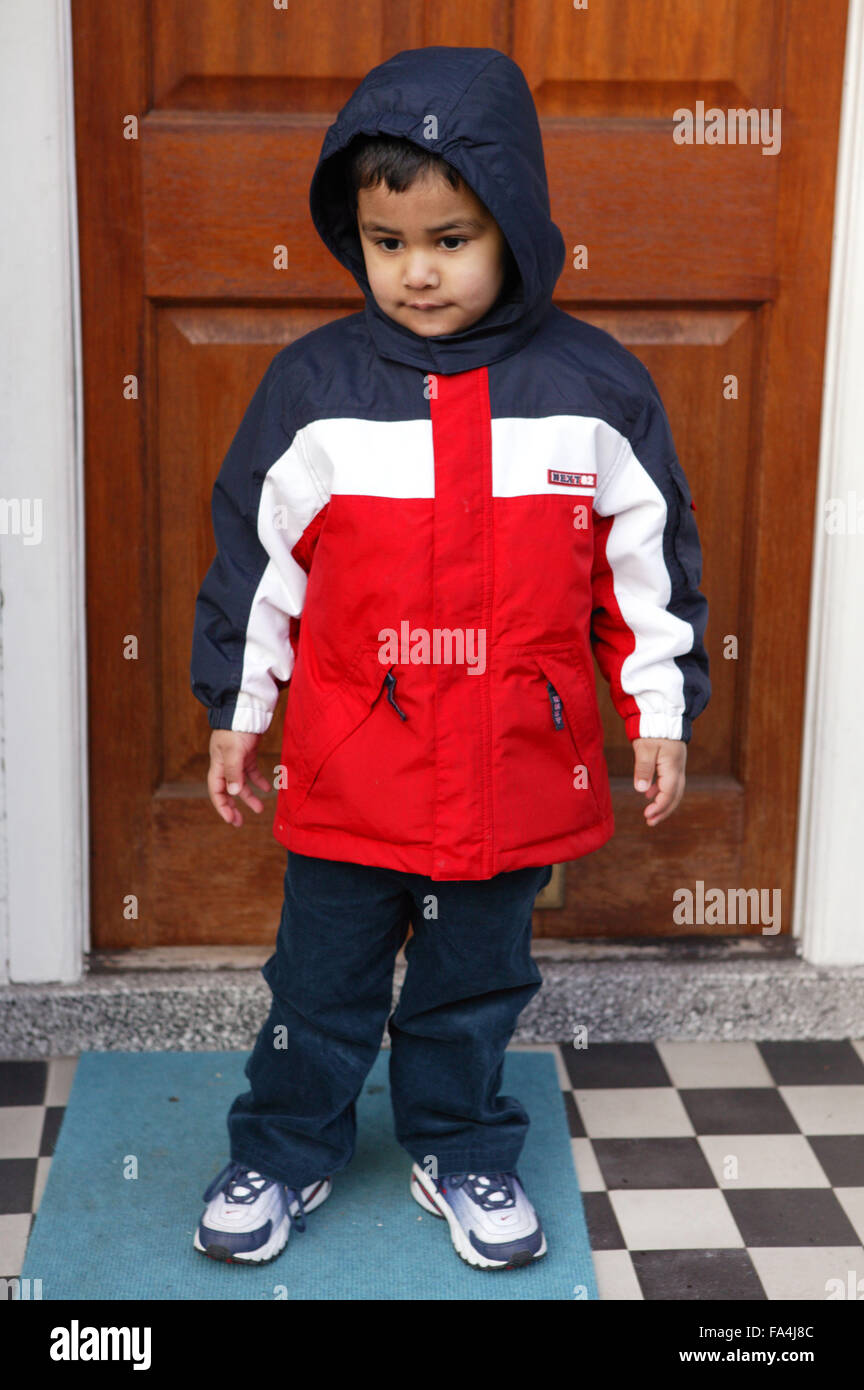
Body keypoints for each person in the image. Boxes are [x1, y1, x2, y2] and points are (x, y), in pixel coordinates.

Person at [189, 45, 710, 1272]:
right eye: (386, 242)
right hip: (350, 768)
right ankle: (282, 1144)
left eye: (453, 238)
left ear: (515, 226)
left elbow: (648, 573)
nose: (417, 272)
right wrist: (239, 704)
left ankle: (463, 1144)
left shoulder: (595, 393)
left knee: (475, 986)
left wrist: (659, 708)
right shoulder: (313, 393)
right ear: (353, 237)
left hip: (512, 771)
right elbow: (257, 569)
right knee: (316, 985)